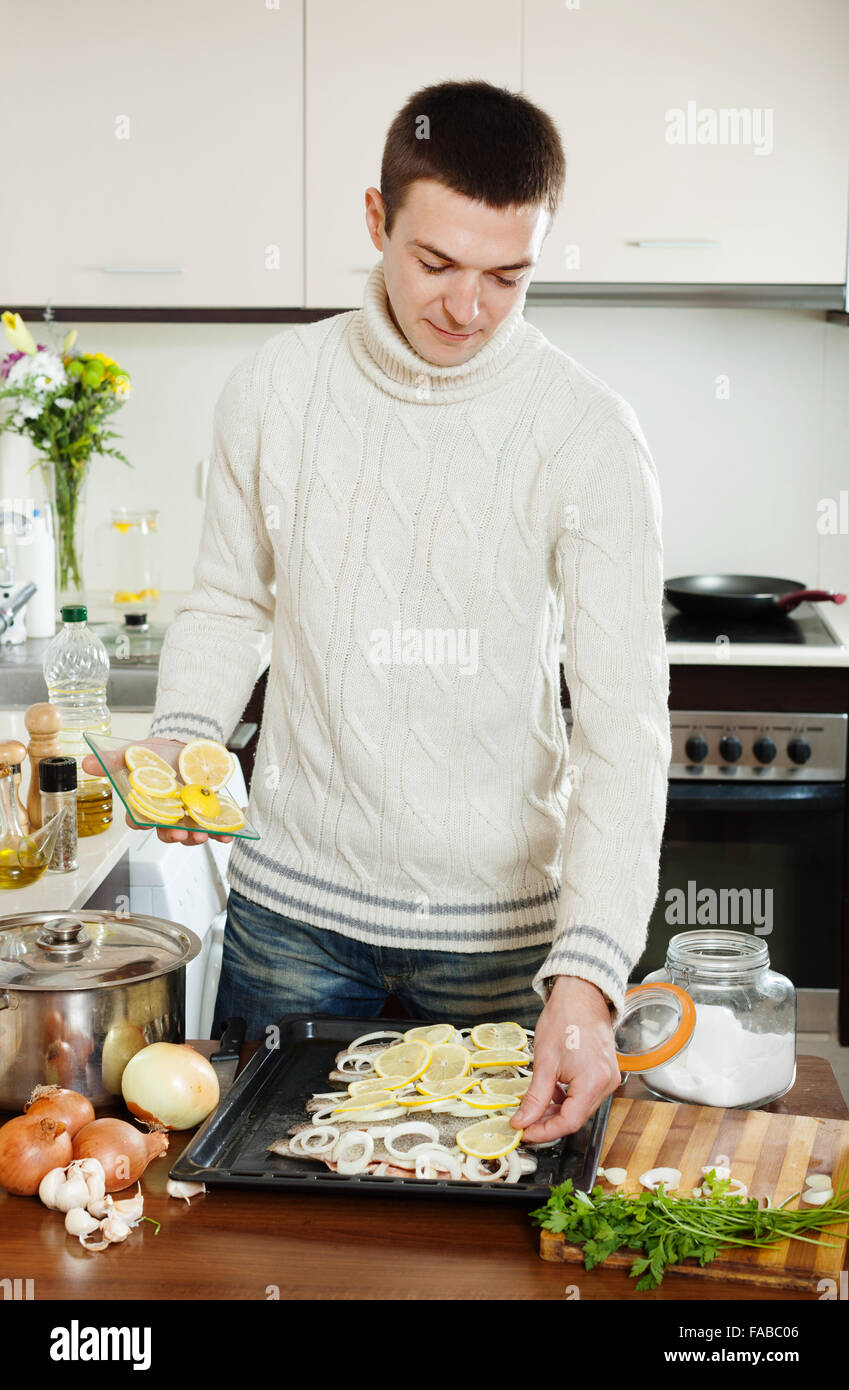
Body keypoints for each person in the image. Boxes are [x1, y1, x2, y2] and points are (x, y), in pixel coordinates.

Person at [87, 80, 671, 1142]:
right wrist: (185, 734)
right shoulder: (274, 389)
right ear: (374, 219)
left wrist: (588, 972)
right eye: (436, 263)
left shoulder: (588, 432)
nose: (468, 307)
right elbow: (227, 602)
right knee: (267, 1228)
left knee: (487, 1255)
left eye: (509, 276)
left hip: (503, 938)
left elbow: (625, 728)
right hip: (293, 914)